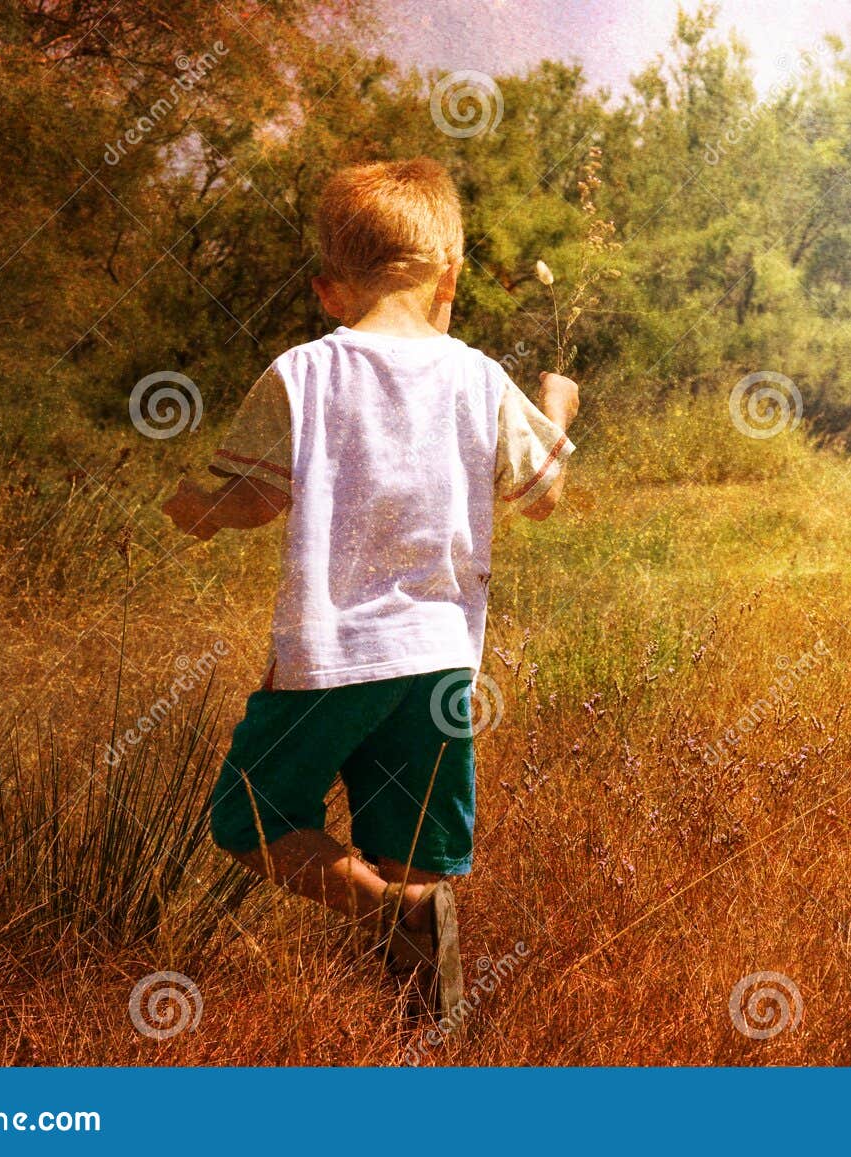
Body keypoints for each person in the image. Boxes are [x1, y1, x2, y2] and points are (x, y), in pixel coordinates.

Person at [161, 157, 578, 1022]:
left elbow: (259, 496)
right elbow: (543, 496)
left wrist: (203, 509)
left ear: (328, 288)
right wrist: (558, 409)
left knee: (251, 816)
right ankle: (428, 1027)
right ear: (450, 277)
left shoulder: (301, 372)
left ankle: (390, 916)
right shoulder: (480, 377)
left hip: (330, 656)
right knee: (416, 848)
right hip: (440, 665)